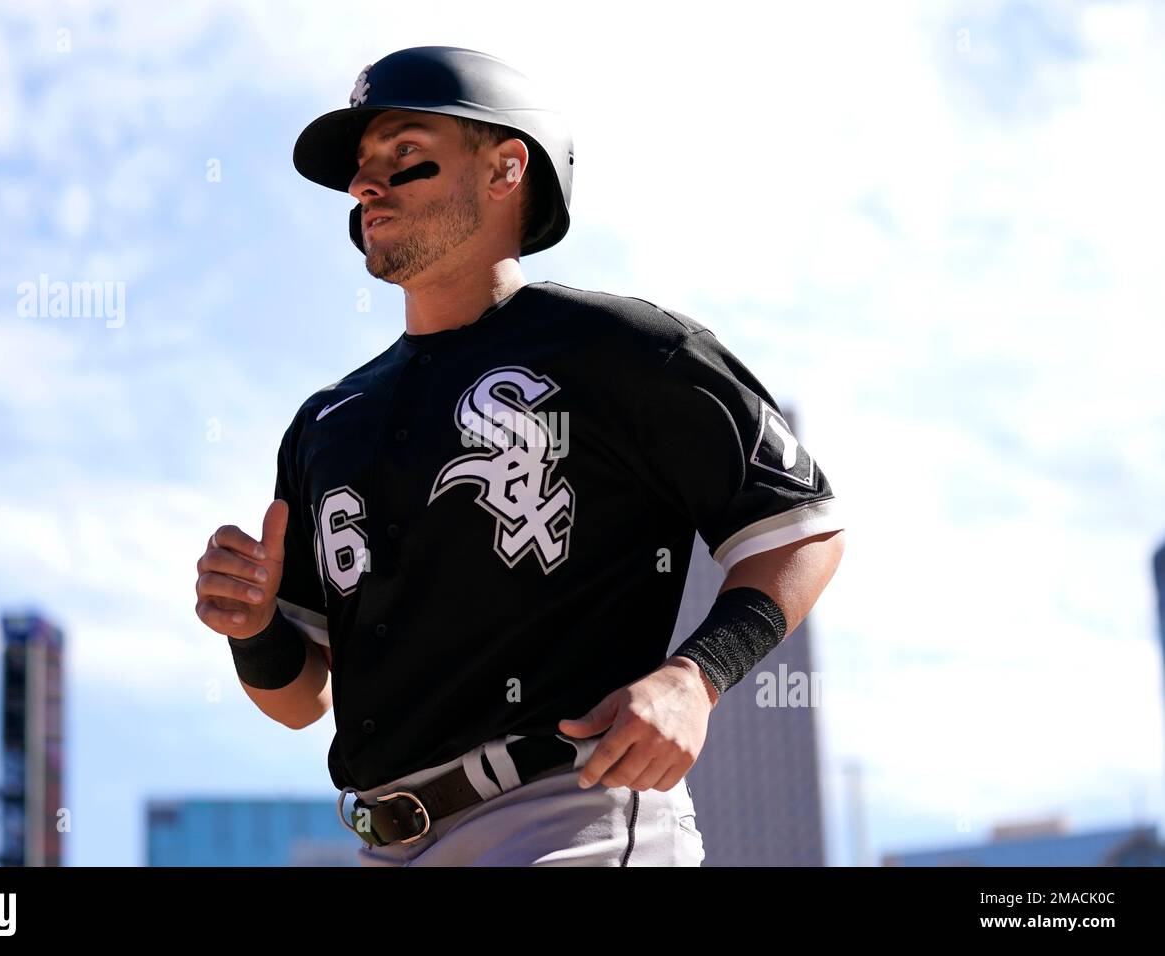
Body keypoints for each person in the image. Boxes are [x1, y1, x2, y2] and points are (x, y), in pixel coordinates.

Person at [194, 46, 846, 866]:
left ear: (506, 168)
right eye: (361, 169)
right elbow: (304, 696)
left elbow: (801, 524)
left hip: (570, 813)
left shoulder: (625, 348)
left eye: (404, 156)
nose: (367, 186)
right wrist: (252, 631)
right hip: (386, 843)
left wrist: (696, 677)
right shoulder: (328, 421)